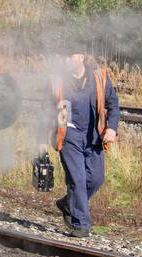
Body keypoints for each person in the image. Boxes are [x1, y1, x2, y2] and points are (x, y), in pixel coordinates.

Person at [40, 52, 119, 238]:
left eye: (70, 56)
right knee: (77, 180)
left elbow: (114, 105)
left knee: (96, 179)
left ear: (81, 57)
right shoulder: (56, 81)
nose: (66, 60)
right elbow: (45, 112)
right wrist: (40, 141)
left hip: (93, 137)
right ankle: (80, 224)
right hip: (68, 136)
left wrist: (112, 128)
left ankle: (68, 204)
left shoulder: (99, 78)